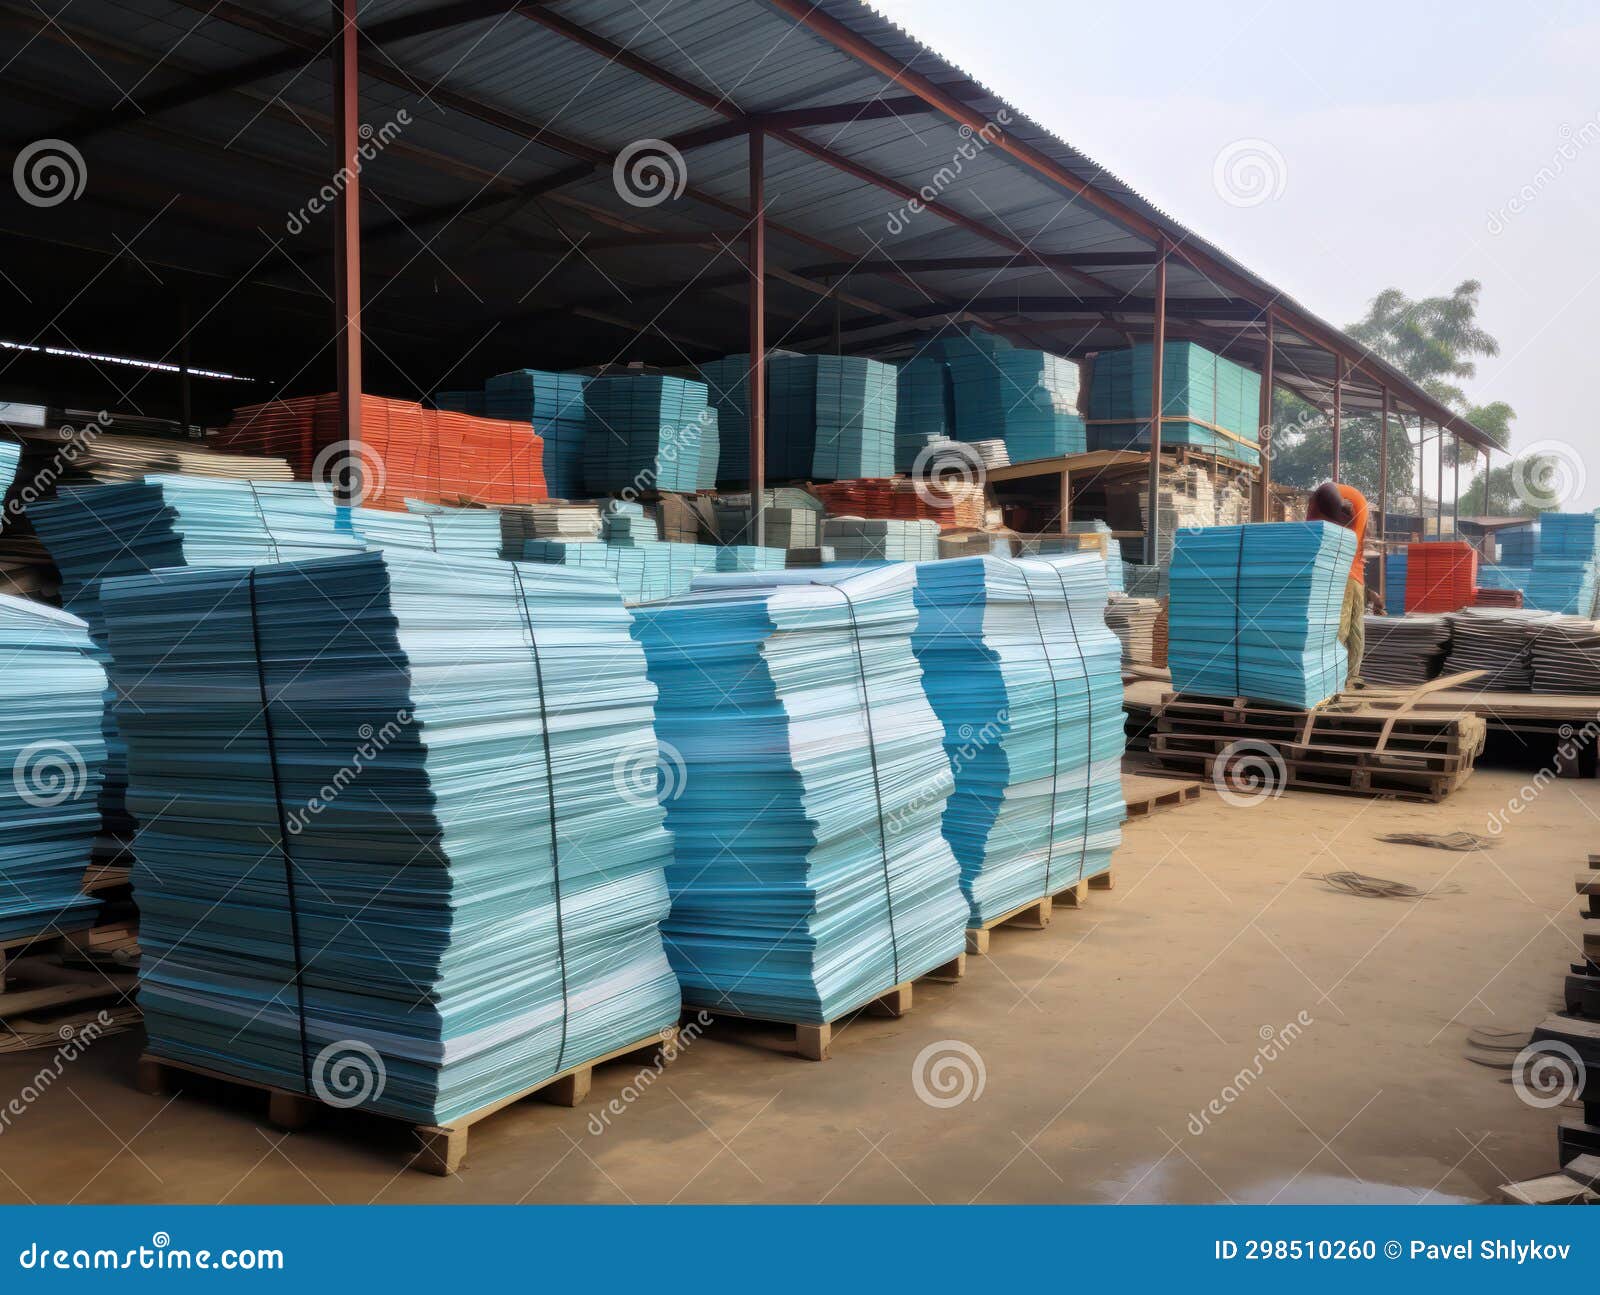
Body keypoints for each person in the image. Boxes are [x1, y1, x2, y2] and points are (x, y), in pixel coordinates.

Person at [1305, 480, 1377, 684]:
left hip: (1343, 574)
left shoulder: (1325, 496)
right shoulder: (1354, 502)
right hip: (1355, 577)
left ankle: (1334, 680)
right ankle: (1351, 678)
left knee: (1340, 629)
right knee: (1355, 631)